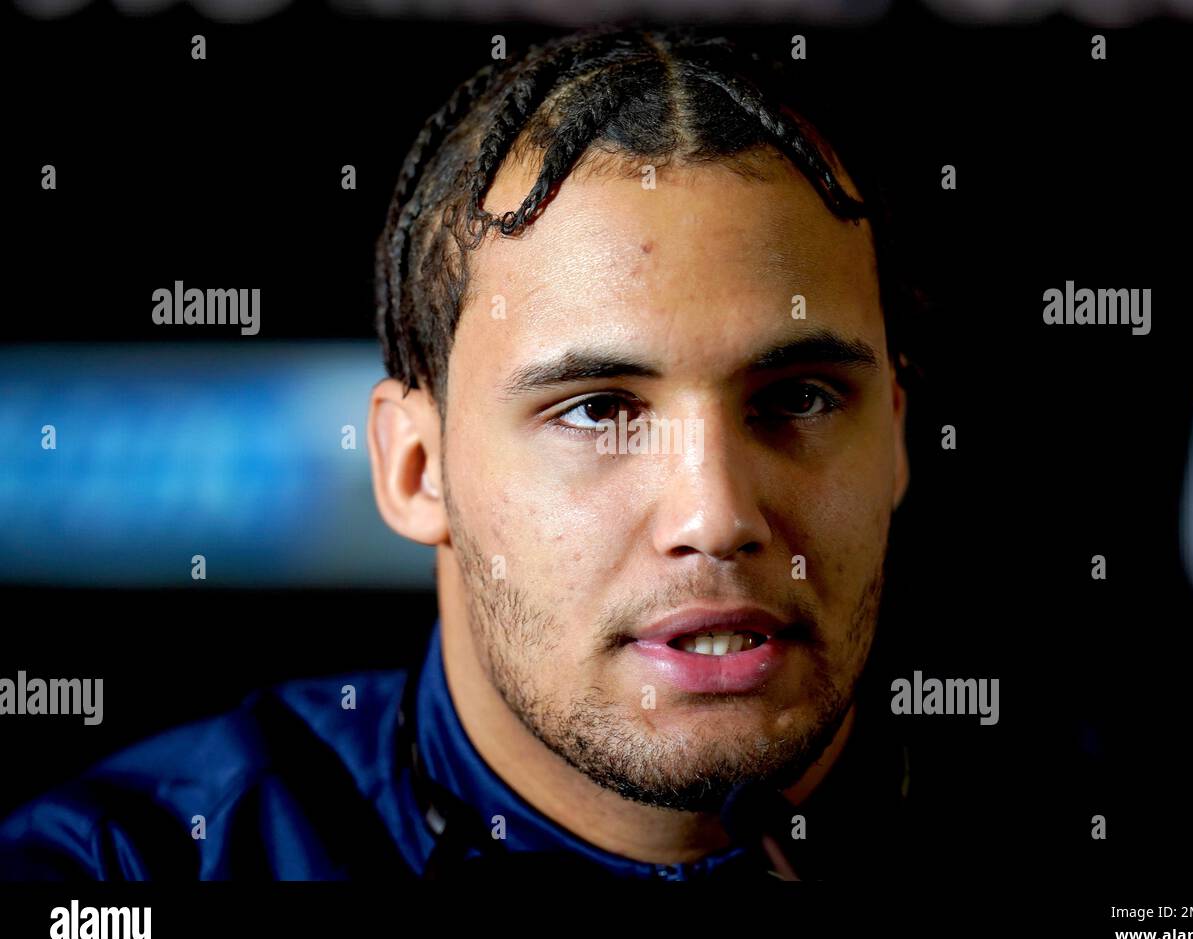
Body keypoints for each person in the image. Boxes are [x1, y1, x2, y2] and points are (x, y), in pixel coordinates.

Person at [0, 22, 919, 881]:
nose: (716, 514)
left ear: (899, 437)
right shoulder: (118, 869)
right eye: (598, 412)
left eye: (799, 399)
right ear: (413, 470)